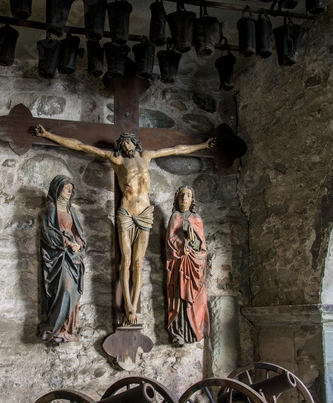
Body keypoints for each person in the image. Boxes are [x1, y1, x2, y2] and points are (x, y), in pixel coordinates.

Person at [31, 125, 214, 326]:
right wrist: (48, 134)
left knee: (138, 263)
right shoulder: (117, 161)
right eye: (123, 143)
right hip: (126, 213)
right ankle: (127, 306)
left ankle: (134, 306)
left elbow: (175, 149)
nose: (127, 145)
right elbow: (82, 146)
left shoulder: (147, 156)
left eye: (129, 141)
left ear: (136, 143)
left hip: (145, 214)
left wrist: (203, 145)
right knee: (125, 262)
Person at [38, 176, 86, 343]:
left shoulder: (71, 211)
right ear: (57, 188)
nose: (69, 191)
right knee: (64, 289)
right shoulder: (51, 208)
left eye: (71, 189)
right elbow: (47, 232)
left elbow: (79, 234)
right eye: (66, 188)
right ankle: (54, 328)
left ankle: (67, 329)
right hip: (59, 256)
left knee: (73, 292)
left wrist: (78, 244)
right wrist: (64, 240)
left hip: (73, 257)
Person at [165, 186, 209, 344]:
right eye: (182, 196)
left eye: (188, 196)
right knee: (179, 298)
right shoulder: (175, 217)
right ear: (177, 199)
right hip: (179, 265)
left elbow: (202, 247)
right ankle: (178, 333)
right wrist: (185, 242)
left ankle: (193, 331)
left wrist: (194, 243)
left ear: (192, 200)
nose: (184, 199)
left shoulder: (196, 219)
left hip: (194, 265)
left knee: (195, 298)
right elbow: (170, 242)